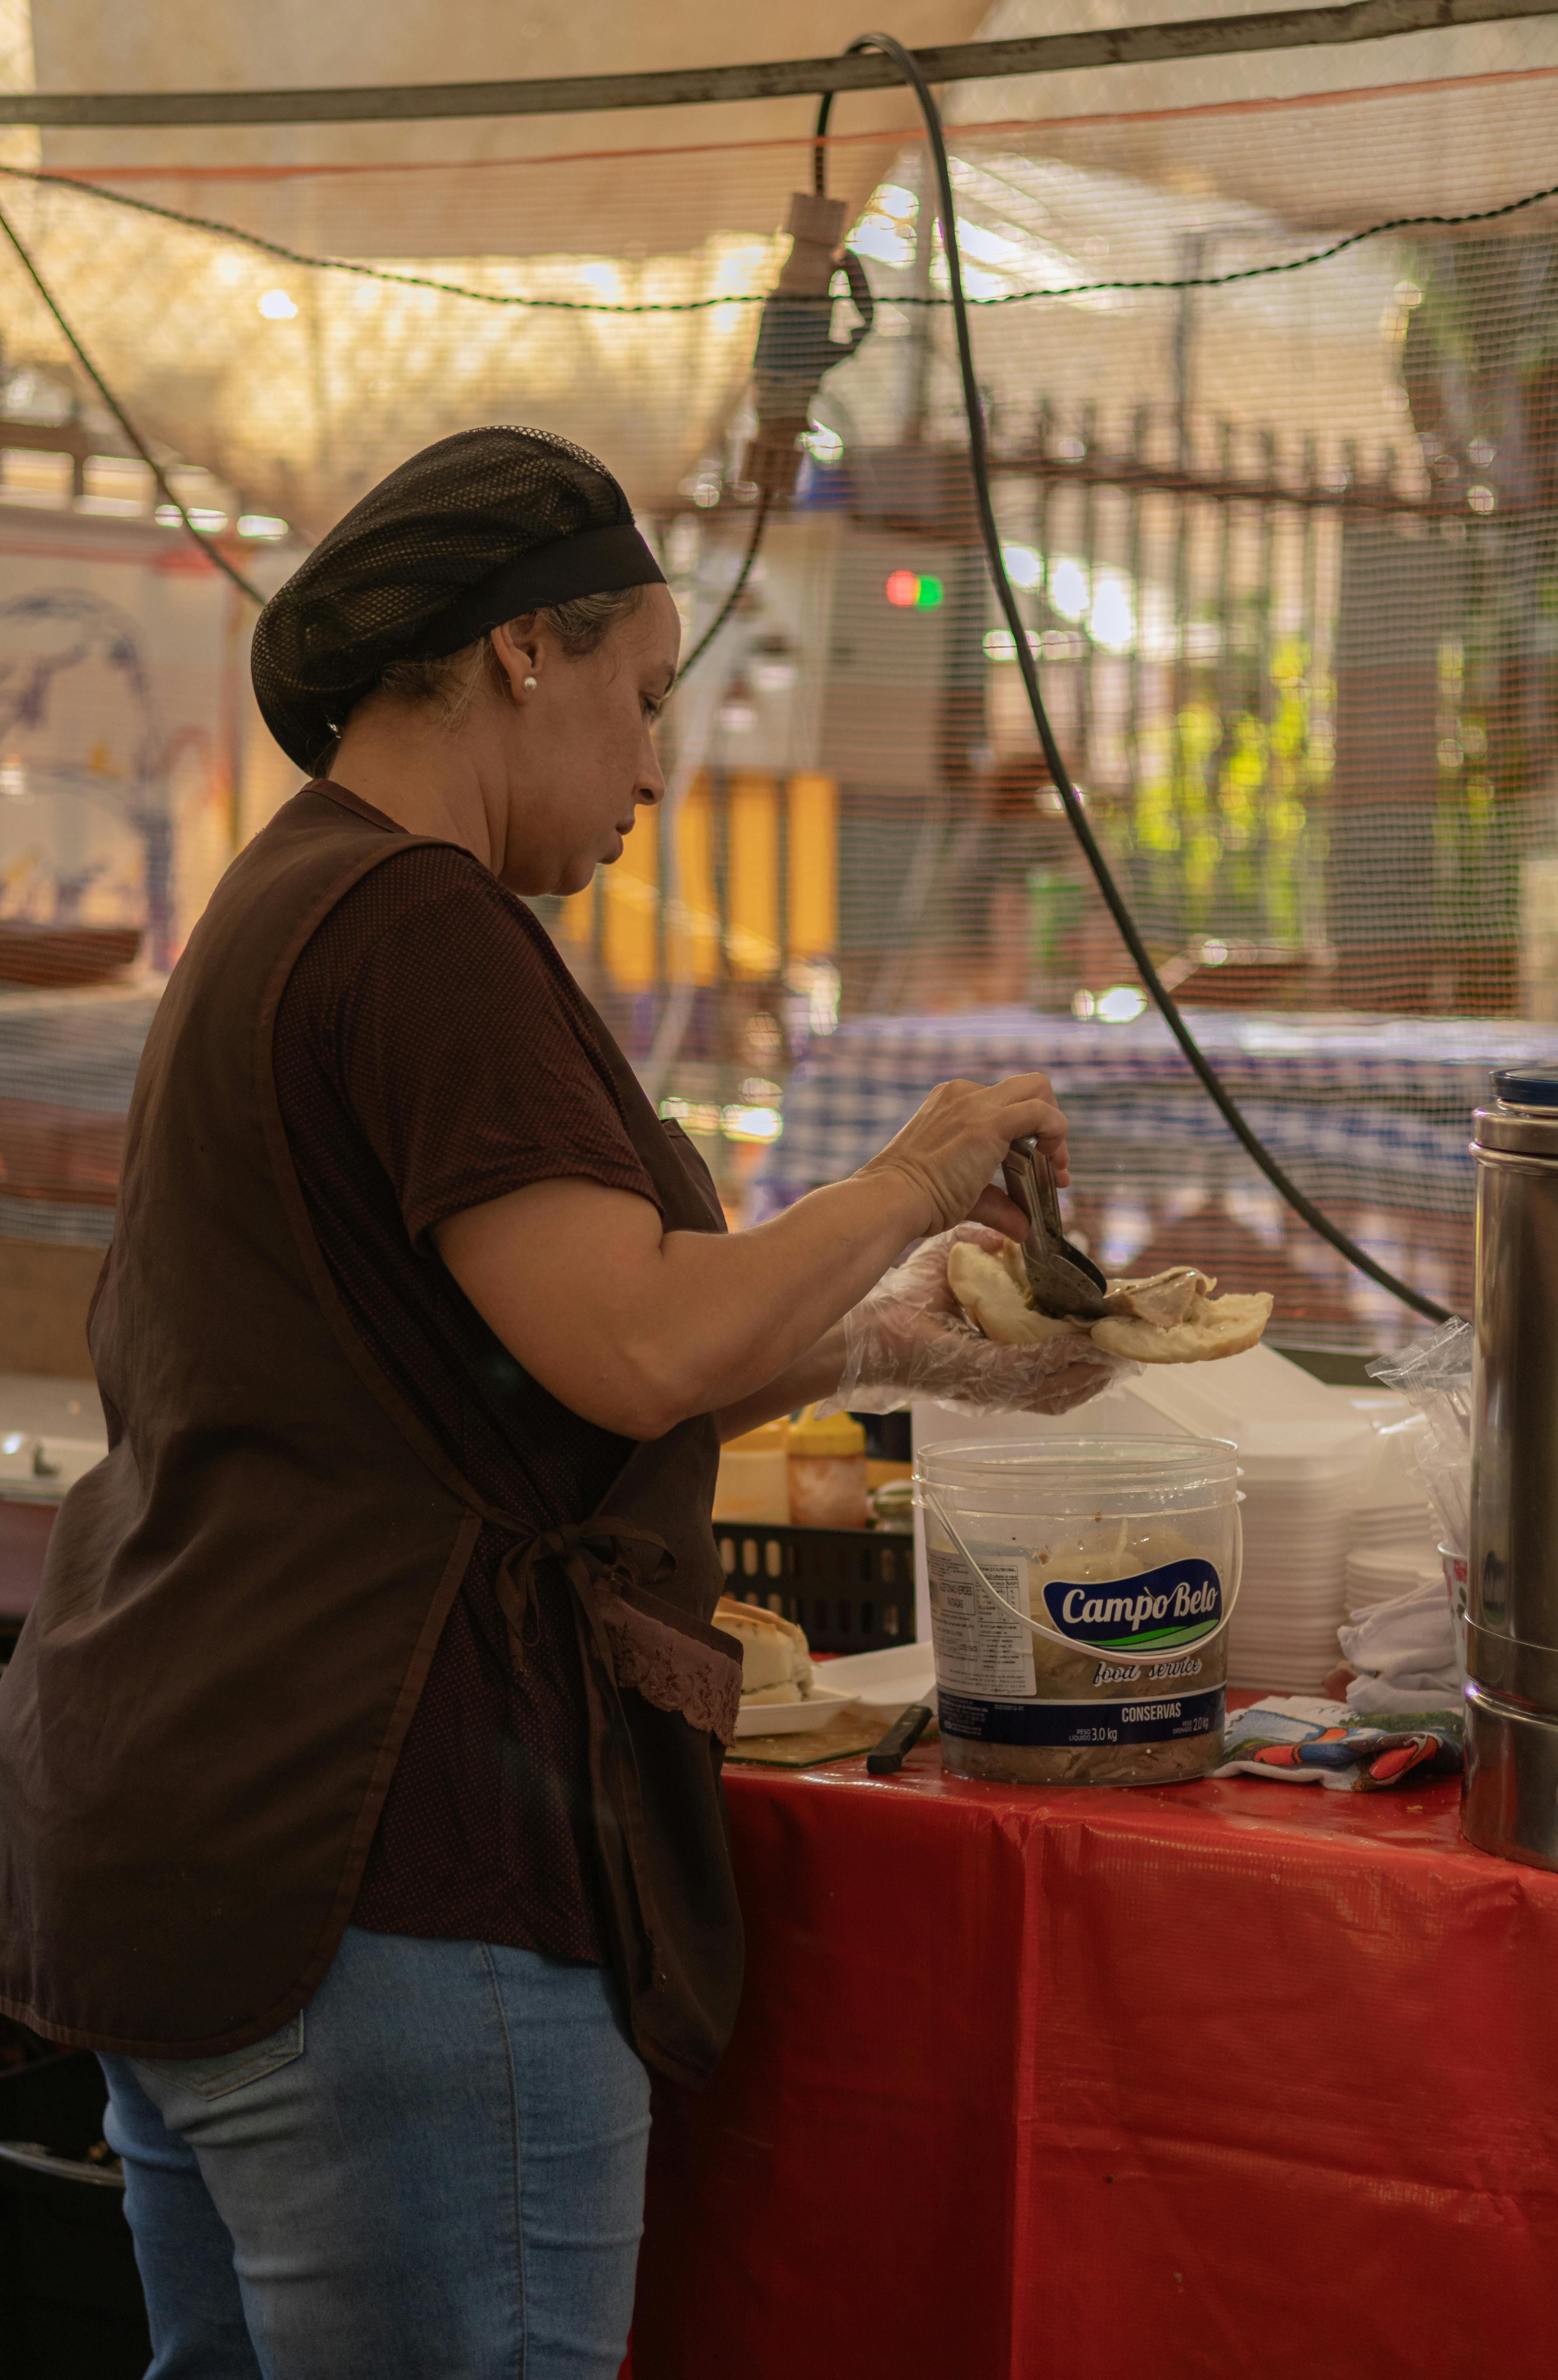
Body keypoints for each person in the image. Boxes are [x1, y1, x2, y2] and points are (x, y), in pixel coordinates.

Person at [0, 427, 1117, 2380]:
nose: (660, 766)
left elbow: (534, 1351)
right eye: (645, 692)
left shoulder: (287, 913)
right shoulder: (421, 924)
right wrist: (921, 1175)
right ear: (525, 651)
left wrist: (880, 1339)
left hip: (189, 1849)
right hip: (388, 1869)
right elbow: (638, 1345)